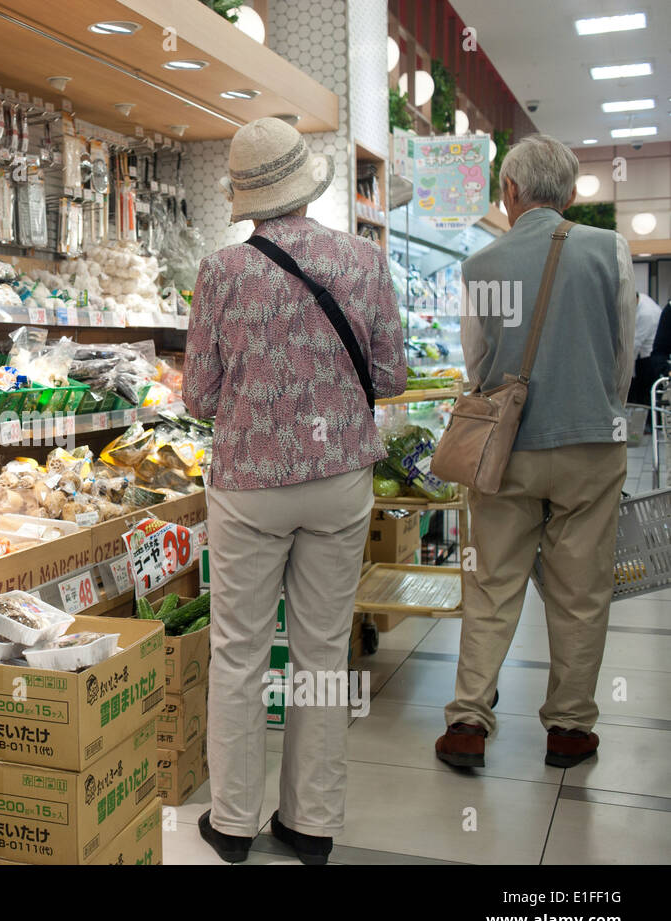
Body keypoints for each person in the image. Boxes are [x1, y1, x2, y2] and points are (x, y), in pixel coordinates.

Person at [184, 118, 406, 865]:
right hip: (340, 476)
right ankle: (311, 823)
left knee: (240, 653)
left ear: (247, 197)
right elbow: (390, 377)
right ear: (307, 184)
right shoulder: (365, 259)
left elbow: (198, 395)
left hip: (250, 481)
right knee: (320, 653)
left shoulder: (221, 270)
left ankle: (233, 821)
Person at [435, 134, 636, 770]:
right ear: (572, 193)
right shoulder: (610, 251)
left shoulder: (482, 264)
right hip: (589, 446)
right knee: (581, 591)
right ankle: (570, 730)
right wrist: (599, 407)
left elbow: (477, 362)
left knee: (491, 584)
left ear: (509, 192)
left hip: (505, 451)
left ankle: (468, 722)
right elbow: (623, 352)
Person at [628, 291, 664, 413]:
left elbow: (635, 344)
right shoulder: (641, 299)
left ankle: (648, 423)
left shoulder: (646, 313)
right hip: (646, 355)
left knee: (646, 393)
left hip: (649, 357)